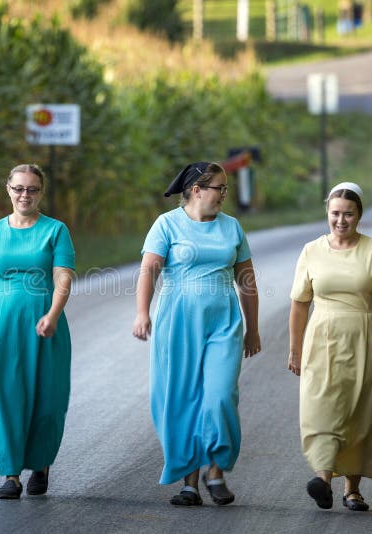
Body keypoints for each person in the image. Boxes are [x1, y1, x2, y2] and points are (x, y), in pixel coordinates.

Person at [133, 161, 261, 506]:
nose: (224, 194)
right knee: (183, 397)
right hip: (177, 321)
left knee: (220, 395)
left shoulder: (232, 227)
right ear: (196, 191)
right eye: (219, 188)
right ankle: (189, 484)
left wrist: (253, 329)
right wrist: (142, 313)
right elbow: (149, 271)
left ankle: (216, 471)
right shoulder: (167, 225)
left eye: (224, 189)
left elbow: (246, 282)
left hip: (224, 321)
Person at [0, 163, 75, 499]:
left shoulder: (55, 230)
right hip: (3, 323)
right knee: (6, 395)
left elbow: (63, 277)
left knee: (47, 397)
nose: (25, 195)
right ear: (8, 189)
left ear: (41, 192)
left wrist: (53, 314)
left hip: (45, 321)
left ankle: (40, 464)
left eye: (33, 189)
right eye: (19, 188)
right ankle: (11, 474)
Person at [287, 181, 372, 512]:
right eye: (335, 213)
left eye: (348, 214)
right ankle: (322, 480)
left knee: (359, 413)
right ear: (327, 213)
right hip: (322, 338)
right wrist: (295, 349)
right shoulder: (311, 251)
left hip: (364, 337)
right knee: (321, 407)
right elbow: (299, 304)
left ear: (359, 215)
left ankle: (352, 490)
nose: (341, 220)